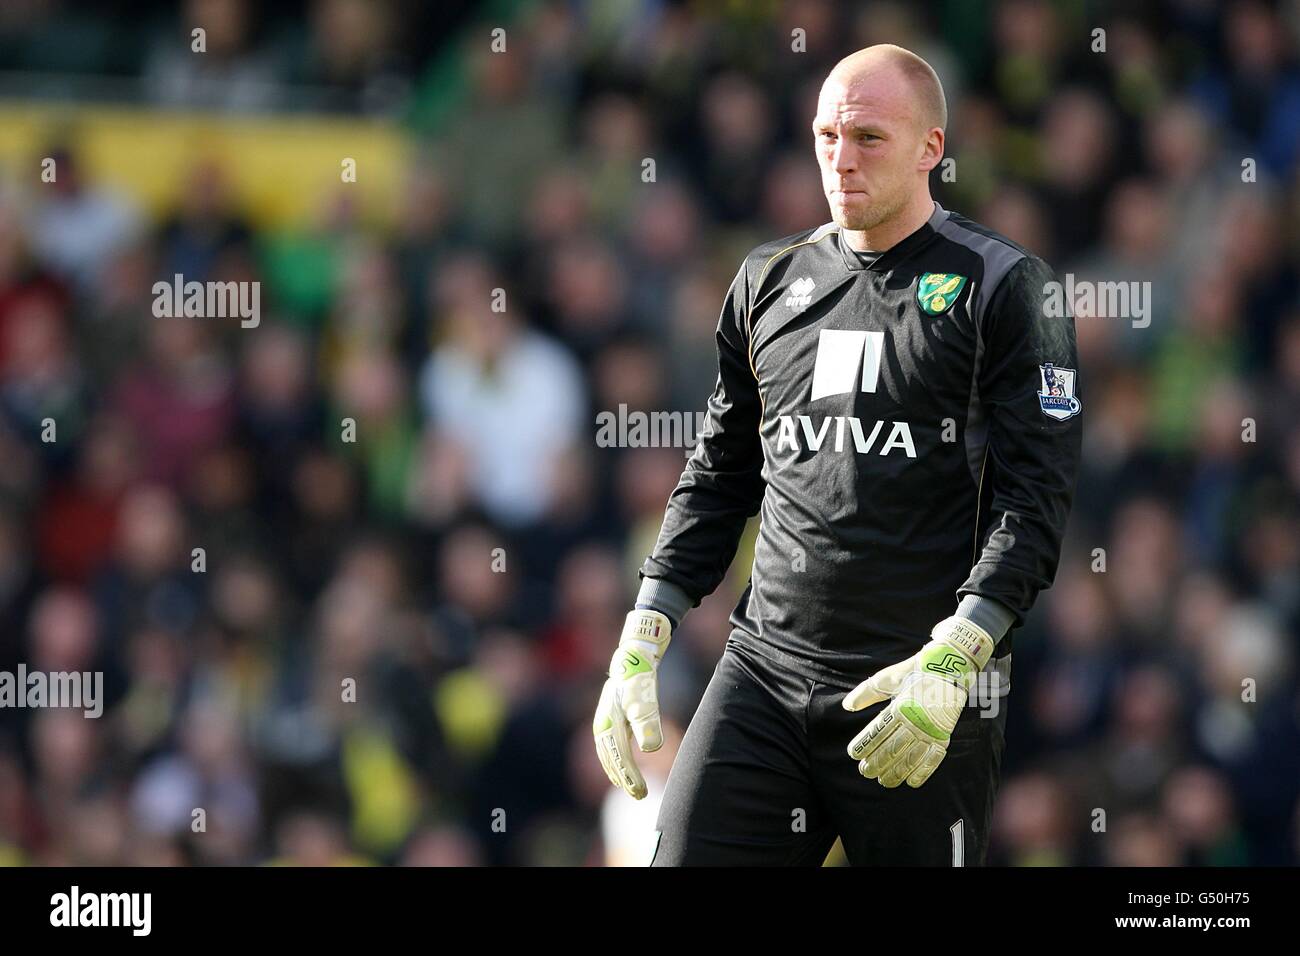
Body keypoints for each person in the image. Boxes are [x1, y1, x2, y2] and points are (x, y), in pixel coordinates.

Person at [593, 44, 1082, 866]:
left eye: (868, 139)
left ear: (931, 148)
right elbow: (720, 473)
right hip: (764, 671)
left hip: (916, 684)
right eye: (826, 136)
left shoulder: (1006, 289)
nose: (841, 160)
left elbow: (1035, 502)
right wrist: (646, 624)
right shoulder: (766, 280)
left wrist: (962, 651)